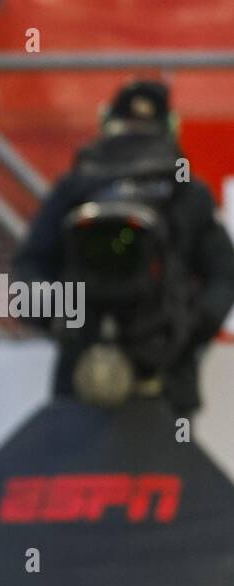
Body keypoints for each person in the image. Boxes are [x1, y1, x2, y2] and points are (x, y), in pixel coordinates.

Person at [12, 80, 234, 418]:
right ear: (170, 128)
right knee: (166, 469)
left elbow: (28, 271)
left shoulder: (74, 188)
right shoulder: (188, 191)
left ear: (106, 125)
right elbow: (224, 274)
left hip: (83, 379)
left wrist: (64, 324)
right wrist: (190, 328)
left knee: (79, 471)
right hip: (166, 377)